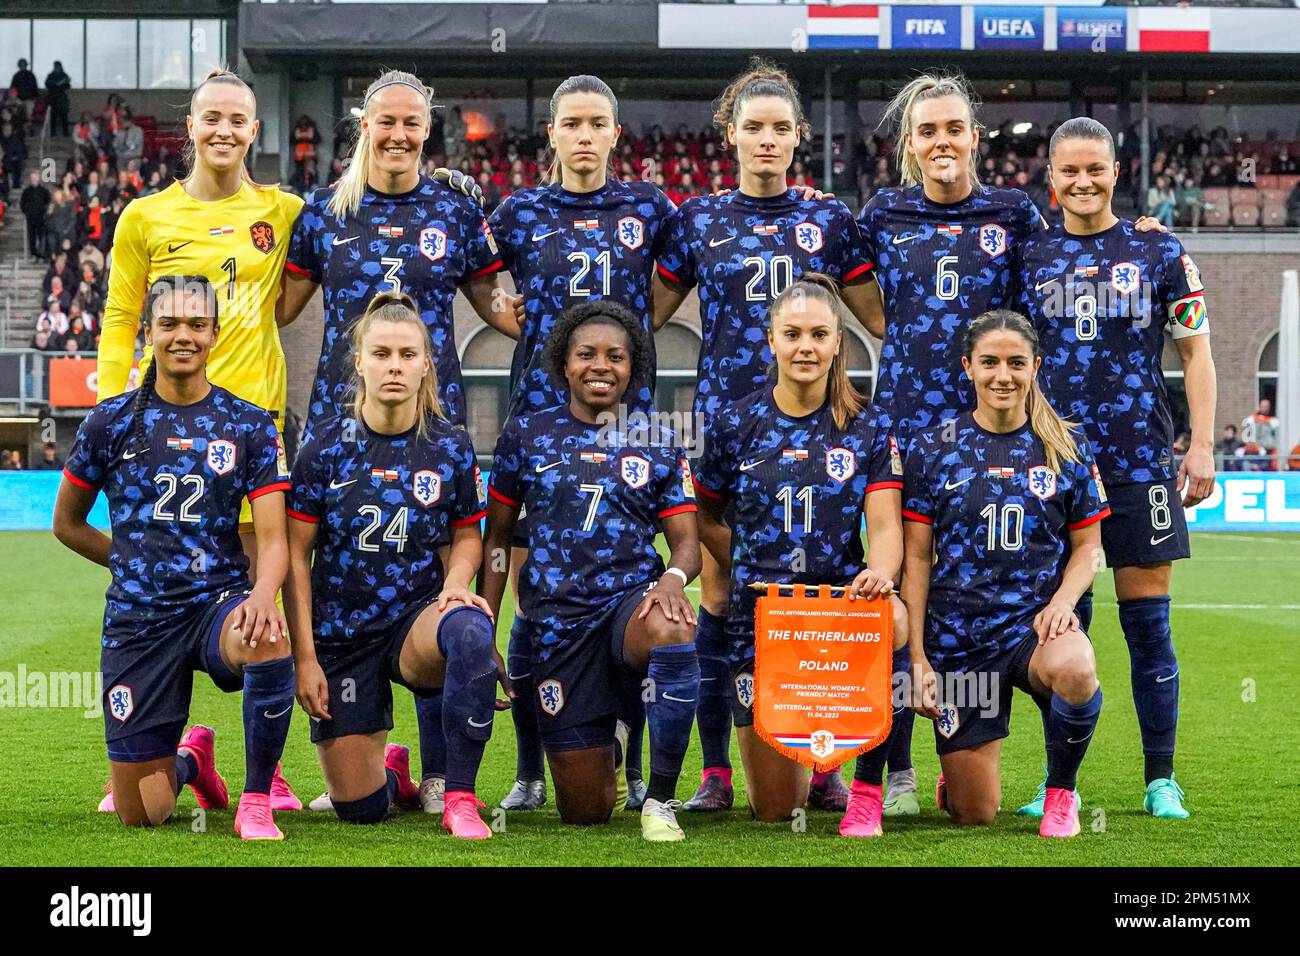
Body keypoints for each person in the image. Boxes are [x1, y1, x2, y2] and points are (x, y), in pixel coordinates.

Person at [277, 69, 513, 815]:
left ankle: (445, 770)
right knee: (346, 576)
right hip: (339, 428)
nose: (401, 135)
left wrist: (578, 336)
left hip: (429, 429)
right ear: (365, 126)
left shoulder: (454, 206)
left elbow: (495, 301)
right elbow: (275, 305)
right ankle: (363, 747)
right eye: (388, 122)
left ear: (427, 128)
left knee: (440, 578)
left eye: (414, 123)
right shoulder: (321, 212)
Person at [653, 58, 884, 815]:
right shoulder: (698, 220)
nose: (766, 139)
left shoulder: (832, 221)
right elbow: (645, 314)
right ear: (731, 135)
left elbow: (881, 317)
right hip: (732, 426)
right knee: (723, 592)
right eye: (753, 127)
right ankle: (718, 770)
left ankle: (824, 760)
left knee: (821, 590)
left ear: (798, 139)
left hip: (821, 427)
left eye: (780, 128)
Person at [487, 74, 679, 812]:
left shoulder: (650, 205)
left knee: (630, 578)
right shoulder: (519, 210)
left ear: (615, 135)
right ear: (554, 136)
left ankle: (635, 766)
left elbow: (677, 274)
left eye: (598, 122)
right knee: (539, 597)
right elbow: (478, 281)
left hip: (618, 415)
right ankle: (531, 769)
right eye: (573, 123)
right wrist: (522, 325)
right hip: (539, 418)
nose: (586, 134)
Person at [1017, 117, 1217, 819]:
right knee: (1061, 627)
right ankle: (1056, 784)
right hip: (1055, 466)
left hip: (1139, 462)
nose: (1082, 181)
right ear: (1051, 179)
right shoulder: (1028, 255)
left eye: (1094, 169)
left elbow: (1196, 352)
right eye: (1068, 171)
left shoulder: (1159, 250)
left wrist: (1200, 444)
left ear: (1115, 171)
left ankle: (1160, 779)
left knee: (1149, 626)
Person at [51, 275, 296, 839]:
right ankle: (193, 762)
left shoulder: (250, 425)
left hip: (219, 607)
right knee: (144, 811)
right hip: (140, 621)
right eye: (169, 324)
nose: (182, 335)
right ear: (148, 333)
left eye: (195, 324)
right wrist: (130, 563)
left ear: (214, 333)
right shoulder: (108, 422)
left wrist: (262, 595)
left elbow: (275, 539)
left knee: (267, 632)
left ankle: (256, 798)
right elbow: (66, 524)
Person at [479, 300, 702, 842]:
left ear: (633, 368)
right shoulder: (525, 434)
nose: (601, 366)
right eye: (587, 355)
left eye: (616, 356)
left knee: (674, 625)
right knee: (585, 811)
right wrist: (485, 624)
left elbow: (688, 546)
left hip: (629, 606)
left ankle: (659, 799)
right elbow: (498, 539)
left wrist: (672, 580)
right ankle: (615, 733)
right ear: (564, 364)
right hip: (559, 626)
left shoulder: (657, 437)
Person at [695, 276, 910, 836]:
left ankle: (860, 785)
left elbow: (886, 528)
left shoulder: (867, 425)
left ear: (839, 341)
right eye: (792, 334)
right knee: (775, 811)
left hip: (840, 612)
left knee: (896, 618)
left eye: (819, 334)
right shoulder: (732, 422)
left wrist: (879, 575)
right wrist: (741, 564)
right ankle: (810, 771)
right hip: (762, 618)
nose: (805, 347)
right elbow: (706, 514)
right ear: (771, 341)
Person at [283, 291, 498, 839]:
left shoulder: (449, 444)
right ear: (359, 361)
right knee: (361, 810)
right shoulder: (323, 448)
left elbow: (467, 536)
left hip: (415, 625)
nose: (394, 366)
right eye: (381, 354)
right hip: (342, 635)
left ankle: (460, 797)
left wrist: (455, 584)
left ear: (427, 362)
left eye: (407, 354)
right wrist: (305, 659)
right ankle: (392, 772)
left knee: (471, 628)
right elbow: (296, 557)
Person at [903, 309, 1109, 839]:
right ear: (968, 366)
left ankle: (1061, 794)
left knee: (1077, 666)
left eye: (1016, 363)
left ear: (1035, 366)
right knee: (975, 814)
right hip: (960, 641)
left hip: (1032, 632)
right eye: (990, 362)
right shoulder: (932, 449)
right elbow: (918, 559)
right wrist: (919, 657)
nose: (1003, 375)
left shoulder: (1068, 447)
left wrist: (1063, 603)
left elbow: (1090, 550)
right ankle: (959, 780)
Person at [1241, 399, 1281, 472]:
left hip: (1268, 449)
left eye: (1266, 406)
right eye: (1262, 406)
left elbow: (1276, 436)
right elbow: (1246, 433)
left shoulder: (1273, 420)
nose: (1264, 408)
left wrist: (1272, 445)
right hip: (1255, 449)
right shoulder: (1252, 418)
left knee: (1267, 467)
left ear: (1269, 407)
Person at [19, 172, 49, 260]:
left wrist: (45, 212)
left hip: (41, 218)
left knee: (41, 236)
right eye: (32, 178)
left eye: (35, 178)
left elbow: (48, 202)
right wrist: (26, 211)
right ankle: (33, 254)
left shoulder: (44, 191)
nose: (33, 180)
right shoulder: (26, 191)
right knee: (32, 236)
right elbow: (22, 203)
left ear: (38, 179)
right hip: (30, 217)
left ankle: (41, 254)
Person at [45, 61, 72, 138]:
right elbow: (47, 84)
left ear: (61, 67)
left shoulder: (64, 75)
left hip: (62, 98)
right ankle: (52, 132)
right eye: (55, 66)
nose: (57, 68)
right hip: (52, 97)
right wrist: (59, 83)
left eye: (58, 66)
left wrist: (64, 83)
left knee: (64, 116)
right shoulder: (50, 75)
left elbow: (68, 86)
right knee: (52, 116)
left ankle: (65, 132)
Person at [9, 59, 38, 129]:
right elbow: (12, 88)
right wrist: (14, 98)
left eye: (24, 65)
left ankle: (29, 127)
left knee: (29, 113)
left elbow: (35, 87)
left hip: (29, 99)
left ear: (26, 65)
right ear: (19, 66)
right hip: (18, 99)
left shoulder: (31, 75)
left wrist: (35, 97)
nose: (23, 66)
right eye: (21, 65)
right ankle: (18, 127)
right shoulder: (16, 76)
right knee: (16, 111)